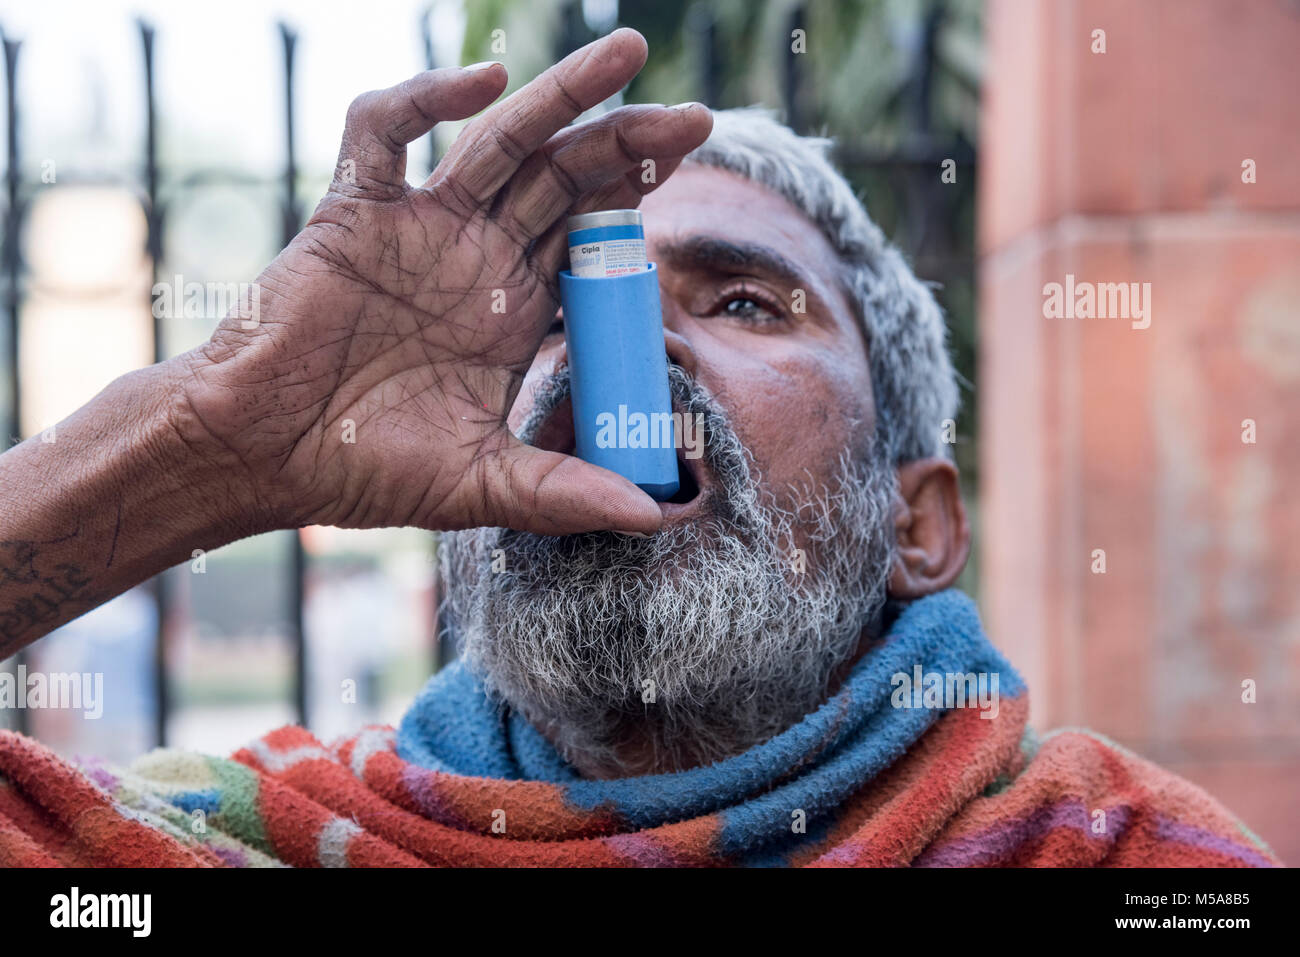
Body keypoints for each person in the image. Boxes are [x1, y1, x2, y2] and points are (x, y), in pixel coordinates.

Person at [0, 29, 1279, 867]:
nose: (622, 352)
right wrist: (218, 436)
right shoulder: (227, 842)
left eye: (740, 301)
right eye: (557, 309)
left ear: (920, 525)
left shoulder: (1122, 858)